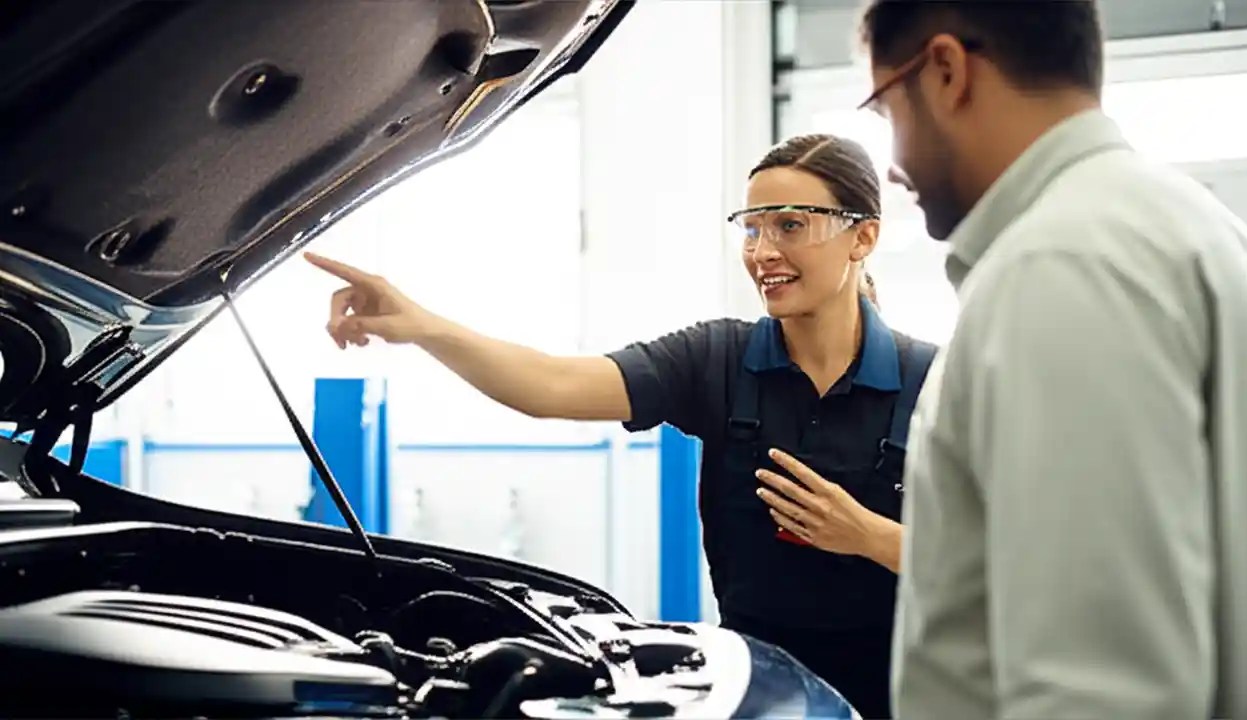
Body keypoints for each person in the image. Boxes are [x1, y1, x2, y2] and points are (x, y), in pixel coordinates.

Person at [304, 134, 937, 717]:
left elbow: (1003, 563)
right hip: (754, 695)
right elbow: (550, 386)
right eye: (752, 228)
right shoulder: (714, 361)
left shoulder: (935, 381)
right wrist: (424, 326)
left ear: (864, 237)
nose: (764, 251)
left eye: (792, 225)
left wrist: (868, 535)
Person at [856, 1, 1247, 718]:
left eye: (885, 108)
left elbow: (1097, 695)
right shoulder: (1200, 235)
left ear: (947, 71)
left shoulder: (1062, 266)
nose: (892, 168)